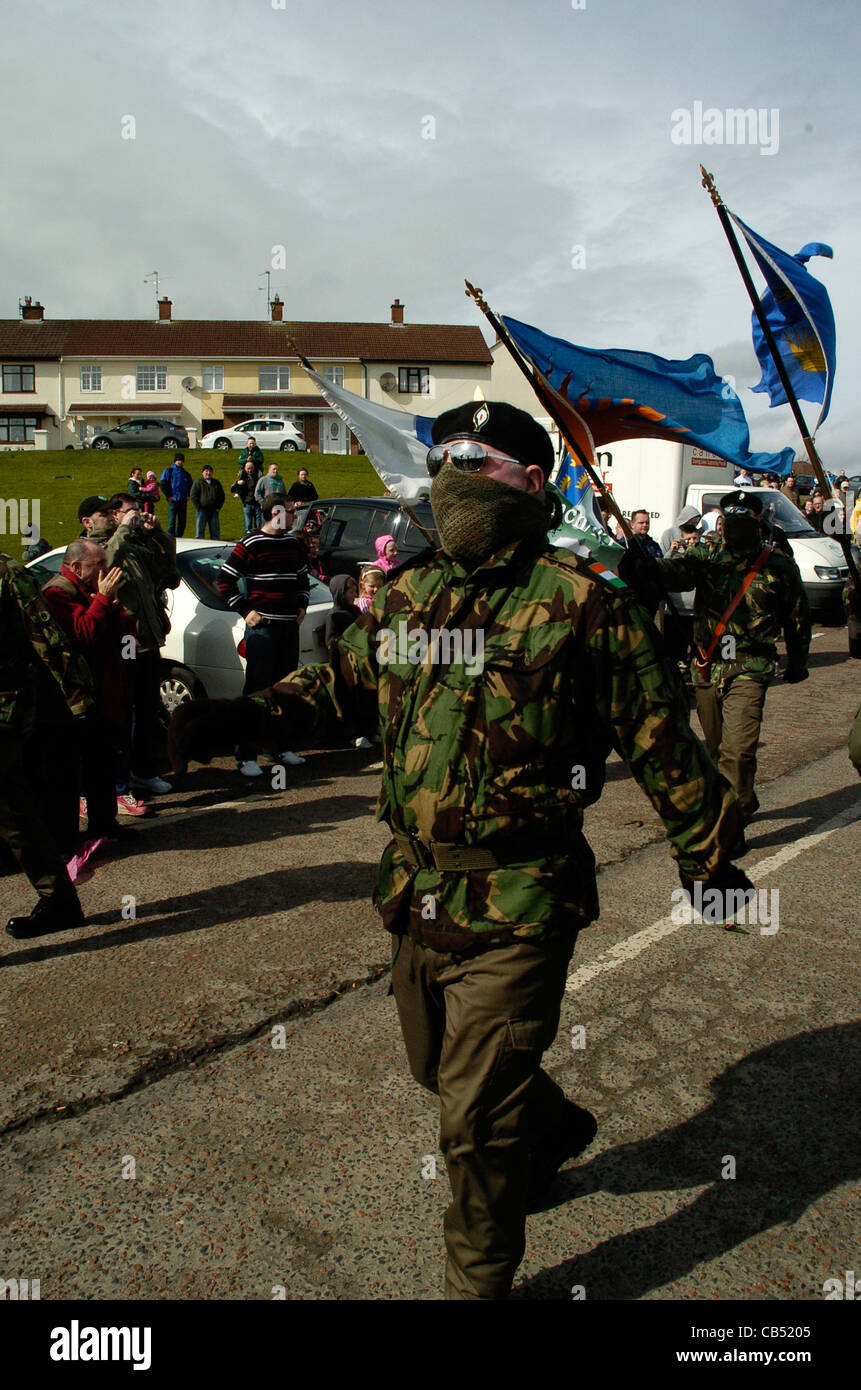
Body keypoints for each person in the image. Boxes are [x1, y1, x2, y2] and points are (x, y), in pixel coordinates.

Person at [169, 400, 751, 1301]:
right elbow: (344, 692)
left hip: (522, 896)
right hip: (418, 891)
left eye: (477, 459)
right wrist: (243, 714)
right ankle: (550, 1130)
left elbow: (661, 740)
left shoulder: (584, 600)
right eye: (443, 459)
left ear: (533, 479)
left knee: (473, 1127)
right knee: (438, 1073)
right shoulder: (412, 596)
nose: (453, 476)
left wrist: (705, 860)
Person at [630, 488, 810, 853]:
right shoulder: (708, 552)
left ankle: (730, 826)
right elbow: (678, 573)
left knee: (738, 750)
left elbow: (797, 617)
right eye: (731, 515)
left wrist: (797, 662)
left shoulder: (778, 564)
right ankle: (742, 799)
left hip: (750, 665)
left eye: (746, 514)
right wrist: (647, 565)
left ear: (758, 519)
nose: (736, 521)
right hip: (707, 664)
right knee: (714, 749)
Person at [1, 552, 94, 940]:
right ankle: (59, 900)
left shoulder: (8, 574)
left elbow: (49, 637)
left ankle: (58, 900)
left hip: (4, 708)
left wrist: (78, 699)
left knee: (12, 808)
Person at [84, 494, 180, 800]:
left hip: (147, 640)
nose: (132, 516)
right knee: (122, 715)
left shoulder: (134, 543)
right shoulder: (94, 546)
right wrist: (124, 530)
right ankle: (118, 784)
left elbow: (169, 573)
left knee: (148, 710)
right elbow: (104, 564)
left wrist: (157, 533)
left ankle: (143, 772)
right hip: (121, 644)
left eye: (136, 511)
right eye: (127, 512)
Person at [42, 540, 137, 847]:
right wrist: (103, 599)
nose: (106, 571)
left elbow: (122, 632)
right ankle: (66, 839)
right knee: (69, 773)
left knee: (102, 767)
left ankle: (104, 825)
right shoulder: (57, 593)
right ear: (76, 567)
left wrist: (114, 603)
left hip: (103, 694)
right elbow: (83, 633)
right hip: (75, 699)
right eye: (100, 565)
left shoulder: (91, 590)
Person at [215, 494, 308, 777]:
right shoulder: (250, 543)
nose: (294, 516)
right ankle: (246, 755)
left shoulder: (293, 543)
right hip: (263, 629)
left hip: (288, 628)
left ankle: (278, 747)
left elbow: (303, 578)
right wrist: (245, 611)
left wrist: (302, 605)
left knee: (284, 690)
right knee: (257, 692)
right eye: (291, 511)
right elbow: (224, 580)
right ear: (276, 513)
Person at [160, 453, 194, 537]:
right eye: (178, 460)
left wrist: (188, 495)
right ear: (175, 461)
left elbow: (191, 485)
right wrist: (169, 496)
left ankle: (179, 537)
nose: (180, 462)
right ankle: (171, 537)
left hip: (183, 500)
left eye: (181, 460)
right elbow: (163, 484)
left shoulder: (185, 473)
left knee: (182, 522)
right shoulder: (168, 471)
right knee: (172, 521)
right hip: (173, 500)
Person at [190, 463, 226, 539]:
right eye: (206, 471)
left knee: (215, 533)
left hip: (214, 511)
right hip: (201, 511)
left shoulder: (216, 483)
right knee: (199, 533)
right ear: (202, 472)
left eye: (210, 471)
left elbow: (222, 496)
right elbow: (193, 496)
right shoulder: (198, 482)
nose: (208, 473)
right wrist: (198, 507)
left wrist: (219, 507)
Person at [231, 458, 262, 533]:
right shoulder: (242, 476)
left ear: (254, 468)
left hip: (257, 503)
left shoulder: (258, 477)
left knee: (258, 525)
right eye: (248, 469)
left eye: (251, 468)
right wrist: (238, 483)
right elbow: (232, 489)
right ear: (245, 468)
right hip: (247, 503)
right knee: (248, 525)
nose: (250, 470)